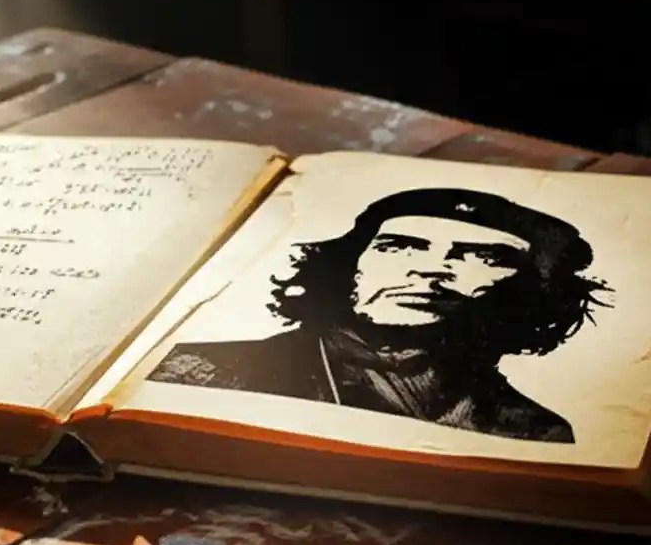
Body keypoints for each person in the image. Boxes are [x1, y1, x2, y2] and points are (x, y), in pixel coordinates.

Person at [147, 188, 610, 443]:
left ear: (529, 292)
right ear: (349, 264)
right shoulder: (195, 373)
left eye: (483, 257)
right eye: (402, 247)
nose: (432, 269)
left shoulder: (532, 430)